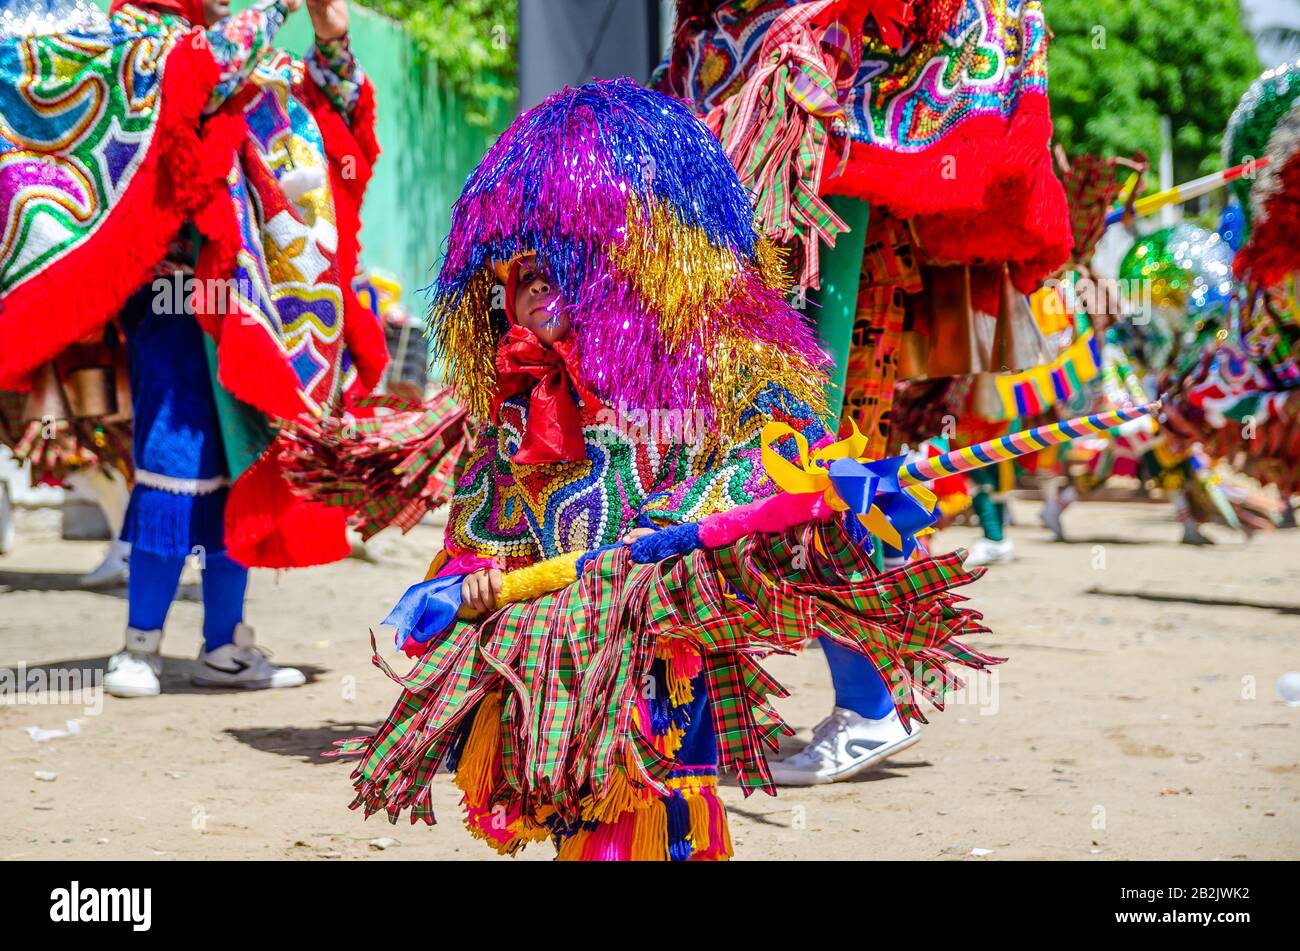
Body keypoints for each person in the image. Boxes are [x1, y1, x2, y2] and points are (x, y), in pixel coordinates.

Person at [335, 80, 998, 861]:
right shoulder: (515, 402)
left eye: (567, 272)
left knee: (662, 812)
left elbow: (773, 467)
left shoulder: (714, 373)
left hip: (665, 646)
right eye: (527, 279)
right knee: (577, 812)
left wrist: (803, 495)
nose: (543, 298)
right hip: (561, 647)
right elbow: (485, 524)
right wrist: (474, 577)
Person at [0, 0, 386, 696]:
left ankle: (224, 646)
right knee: (173, 458)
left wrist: (333, 42)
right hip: (174, 297)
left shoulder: (256, 55)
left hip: (251, 303)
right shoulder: (137, 34)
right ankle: (138, 646)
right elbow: (196, 77)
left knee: (240, 467)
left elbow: (328, 116)